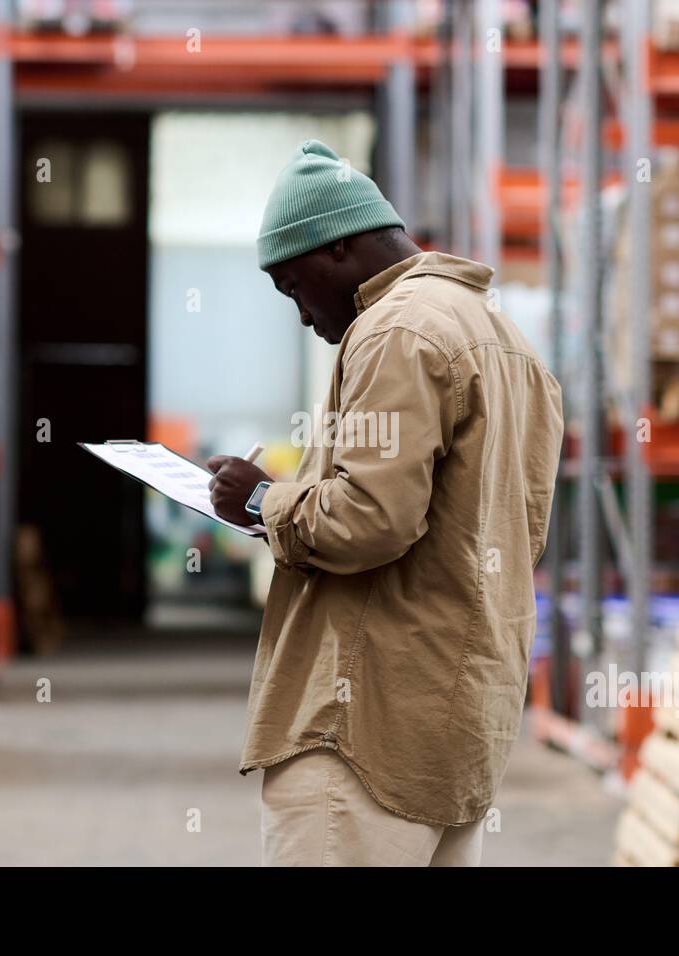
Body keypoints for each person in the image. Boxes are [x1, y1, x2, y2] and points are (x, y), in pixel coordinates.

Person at [207, 140, 564, 866]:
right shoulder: (503, 338)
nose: (303, 315)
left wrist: (264, 503)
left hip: (363, 725)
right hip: (454, 722)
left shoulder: (397, 330)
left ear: (338, 248)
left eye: (294, 286)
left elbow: (374, 520)